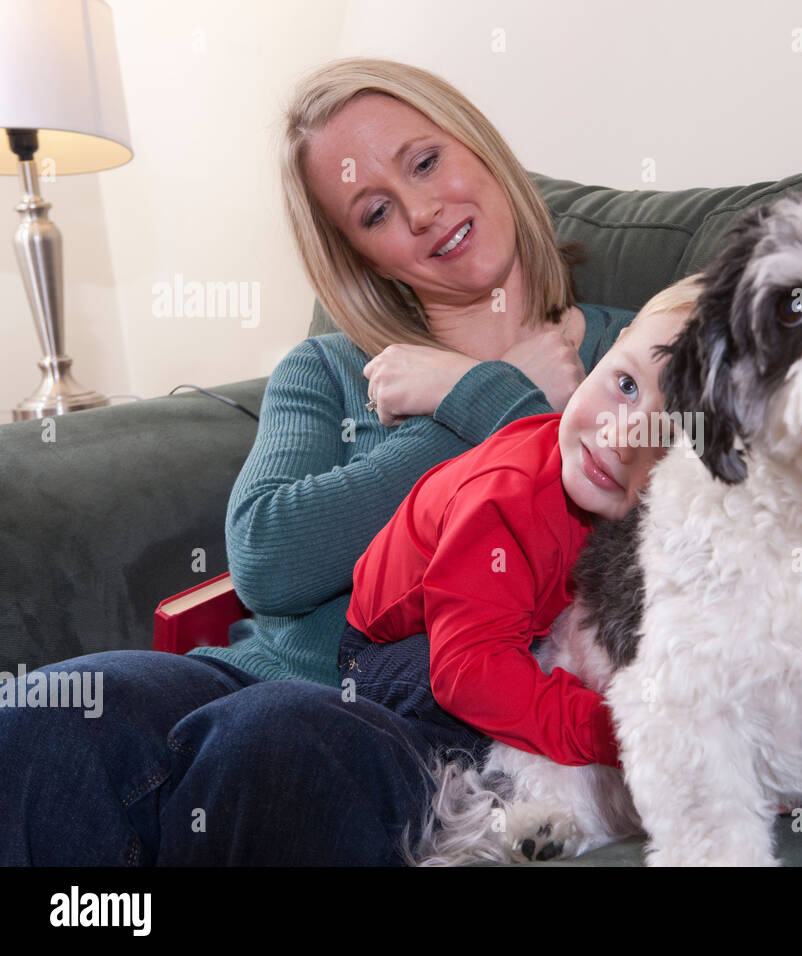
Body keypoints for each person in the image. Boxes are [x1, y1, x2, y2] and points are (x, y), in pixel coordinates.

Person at [0, 57, 648, 865]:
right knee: (44, 716)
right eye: (374, 211)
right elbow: (269, 560)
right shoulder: (334, 370)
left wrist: (479, 395)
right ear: (362, 255)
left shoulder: (640, 356)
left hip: (446, 726)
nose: (419, 211)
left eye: (424, 161)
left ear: (480, 149)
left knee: (274, 747)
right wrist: (476, 401)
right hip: (249, 680)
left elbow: (655, 535)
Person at [338, 277, 702, 772]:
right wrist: (623, 736)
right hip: (397, 650)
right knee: (489, 719)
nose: (620, 438)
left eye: (666, 437)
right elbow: (466, 670)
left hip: (518, 622)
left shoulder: (651, 510)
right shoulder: (507, 501)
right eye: (626, 385)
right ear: (612, 347)